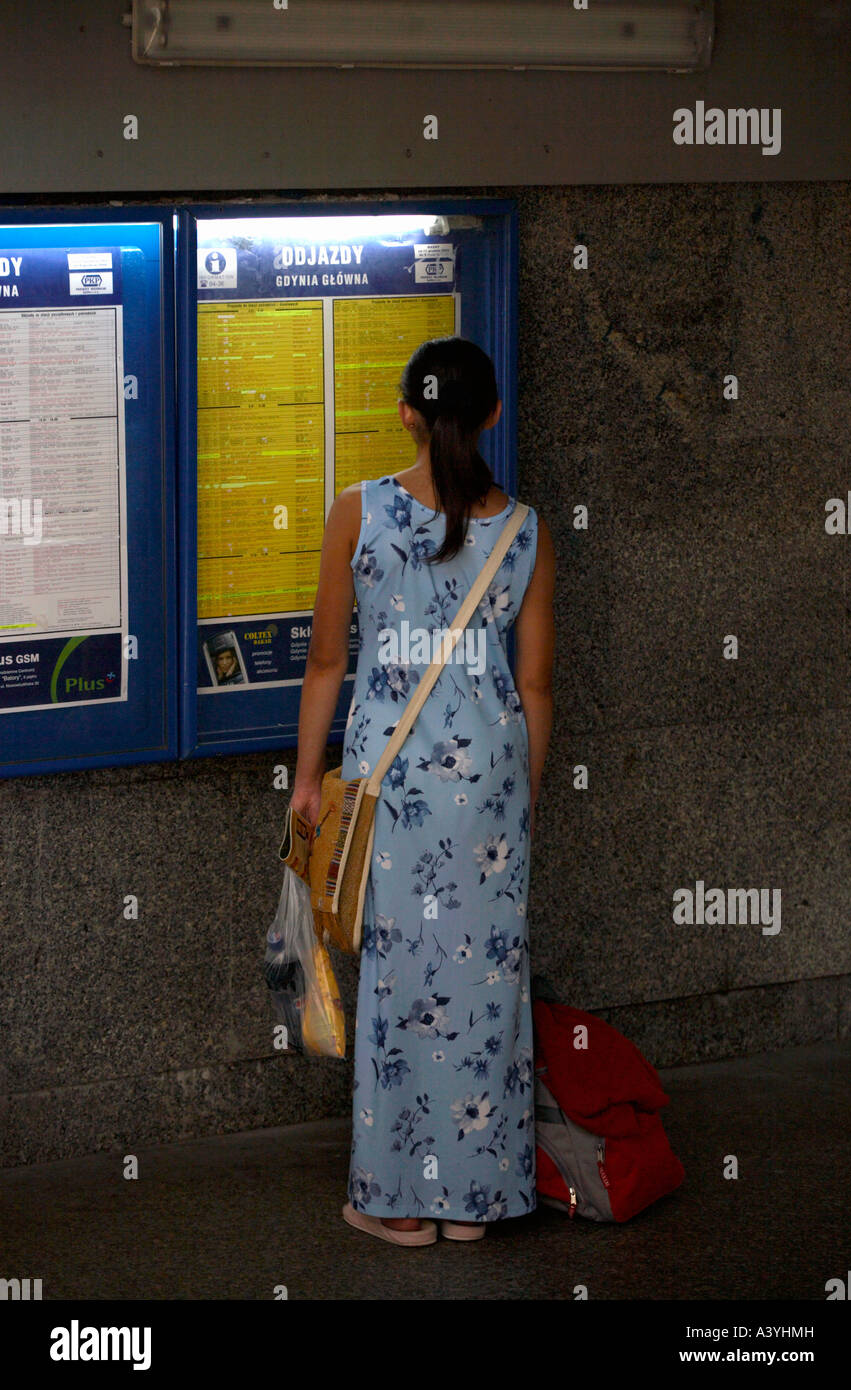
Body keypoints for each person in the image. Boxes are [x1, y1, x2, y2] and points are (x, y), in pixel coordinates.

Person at [290, 336, 555, 1246]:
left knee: (401, 987)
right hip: (488, 790)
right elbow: (536, 689)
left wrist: (304, 782)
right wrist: (521, 799)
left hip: (387, 790)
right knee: (485, 990)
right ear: (489, 415)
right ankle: (475, 1205)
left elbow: (328, 663)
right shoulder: (523, 531)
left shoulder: (355, 514)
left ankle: (398, 1201)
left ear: (408, 410)